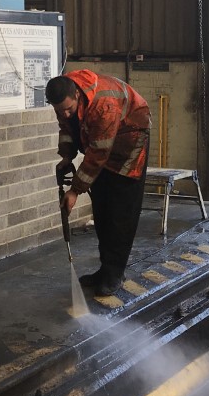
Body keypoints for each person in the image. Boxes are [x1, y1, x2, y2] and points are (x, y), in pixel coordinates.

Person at [46, 71, 152, 297]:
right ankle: (105, 269)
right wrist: (66, 156)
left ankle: (115, 274)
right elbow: (67, 128)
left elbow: (98, 152)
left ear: (76, 94)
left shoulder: (104, 104)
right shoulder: (65, 97)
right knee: (102, 208)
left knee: (120, 211)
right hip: (102, 143)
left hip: (129, 141)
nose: (64, 113)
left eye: (68, 109)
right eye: (59, 111)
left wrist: (75, 190)